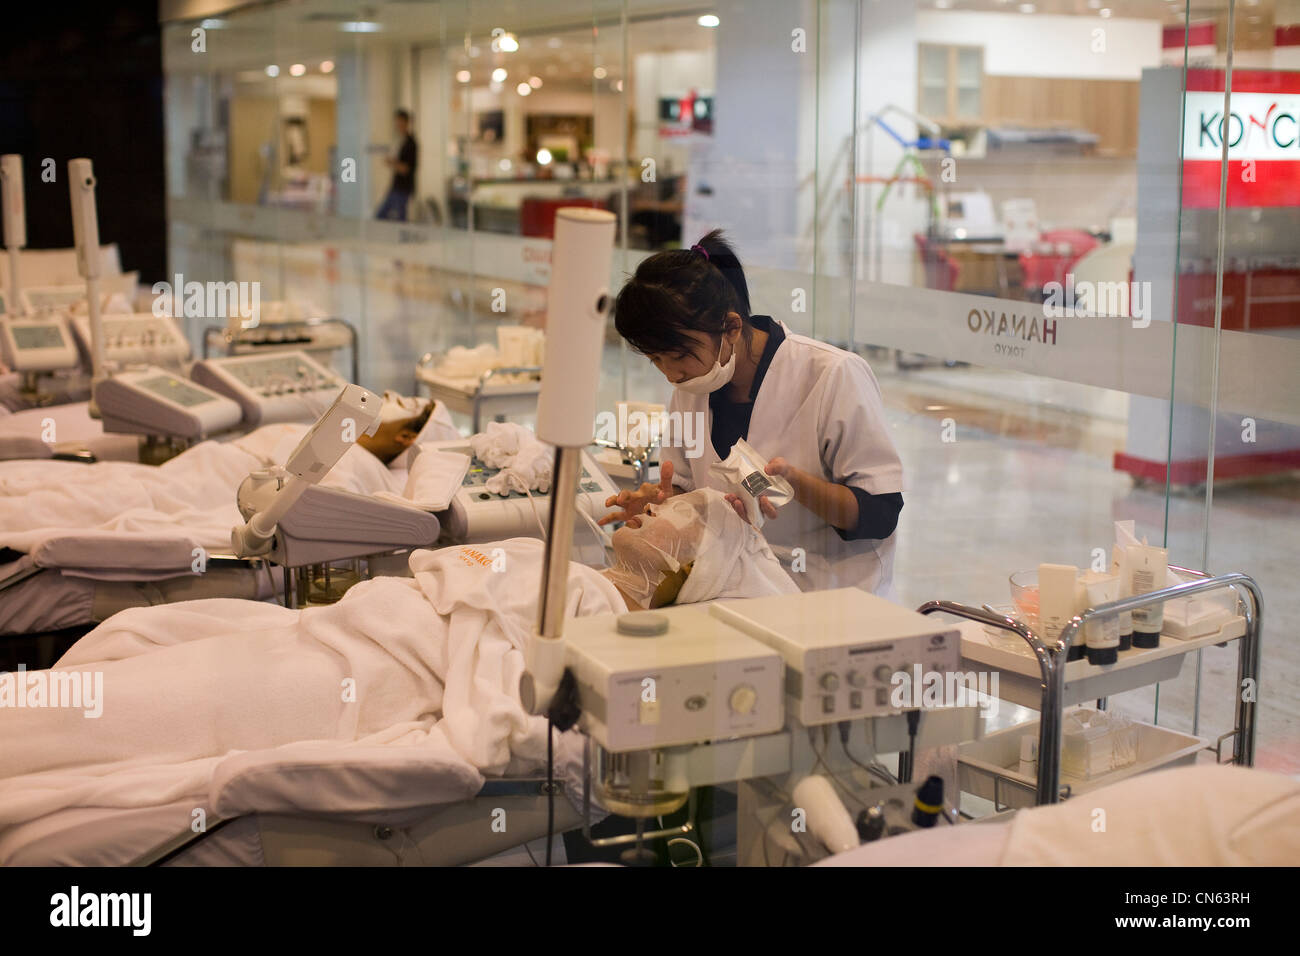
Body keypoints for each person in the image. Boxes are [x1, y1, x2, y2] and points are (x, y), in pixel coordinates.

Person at [601, 229, 904, 598]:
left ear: (731, 327)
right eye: (655, 360)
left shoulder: (831, 374)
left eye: (679, 356)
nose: (671, 374)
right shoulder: (692, 388)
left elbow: (879, 513)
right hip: (731, 585)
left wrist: (795, 483)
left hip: (828, 592)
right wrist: (660, 502)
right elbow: (690, 488)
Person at [375, 109, 418, 221]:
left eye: (400, 122)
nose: (398, 125)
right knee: (382, 216)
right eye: (397, 122)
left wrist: (392, 162)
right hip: (396, 186)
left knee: (397, 220)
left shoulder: (411, 143)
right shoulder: (402, 141)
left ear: (406, 122)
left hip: (403, 188)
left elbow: (406, 169)